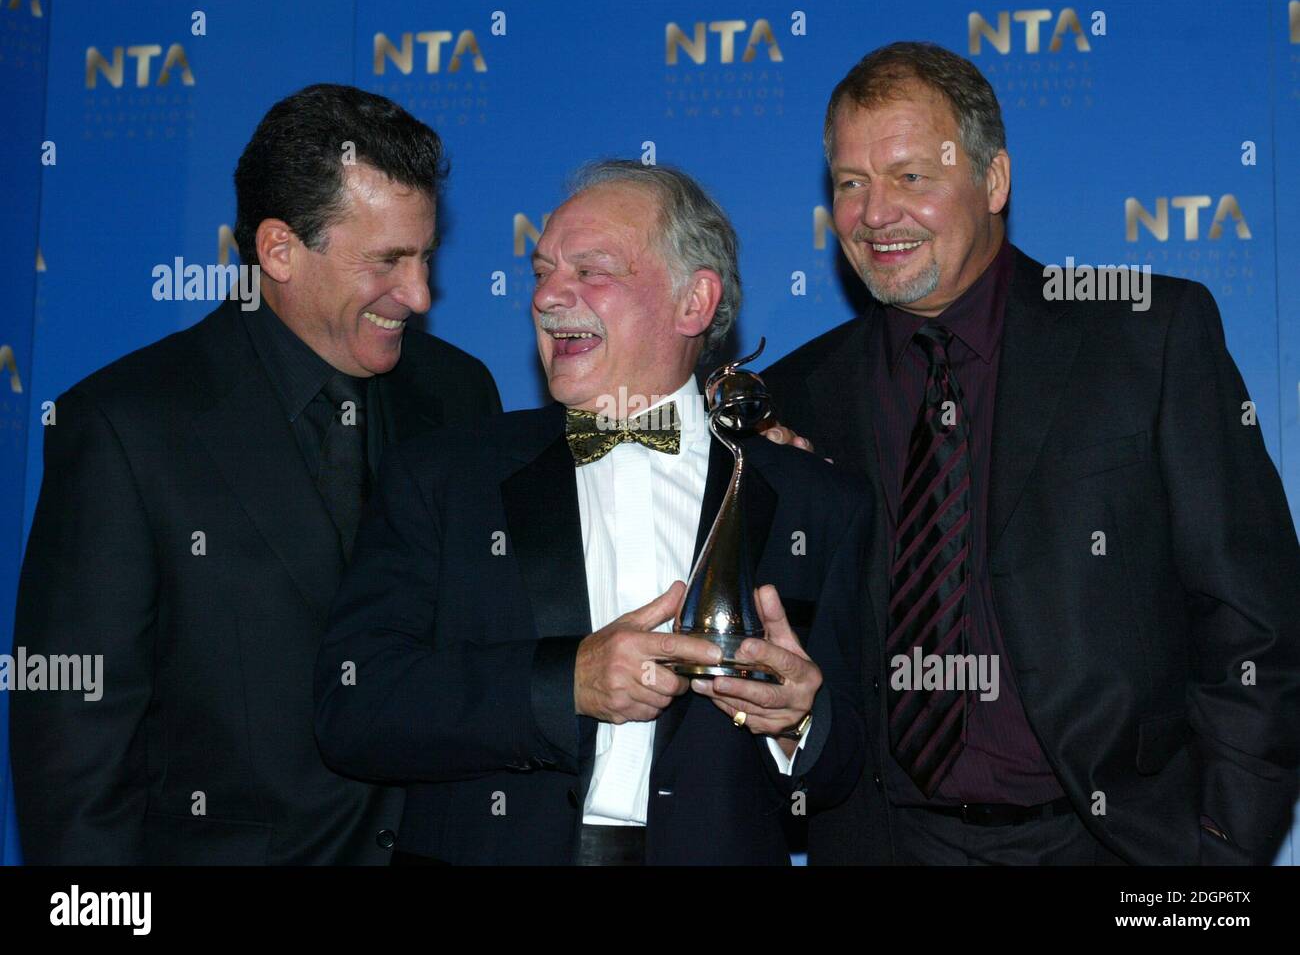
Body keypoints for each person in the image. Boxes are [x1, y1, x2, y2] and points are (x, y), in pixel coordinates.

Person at [762, 42, 1300, 865]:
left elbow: (1256, 620)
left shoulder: (1146, 338)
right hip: (887, 842)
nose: (875, 214)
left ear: (995, 180)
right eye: (850, 183)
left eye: (911, 176)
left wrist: (1218, 861)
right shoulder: (798, 396)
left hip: (1115, 847)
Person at [315, 161, 871, 865]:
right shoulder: (445, 476)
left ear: (694, 302)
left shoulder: (813, 500)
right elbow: (355, 709)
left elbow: (847, 762)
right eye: (543, 270)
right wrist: (563, 682)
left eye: (592, 270)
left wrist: (798, 721)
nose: (549, 296)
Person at [10, 83, 500, 864]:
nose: (417, 294)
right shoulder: (127, 426)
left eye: (426, 257)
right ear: (278, 250)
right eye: (388, 261)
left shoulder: (459, 392)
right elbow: (75, 754)